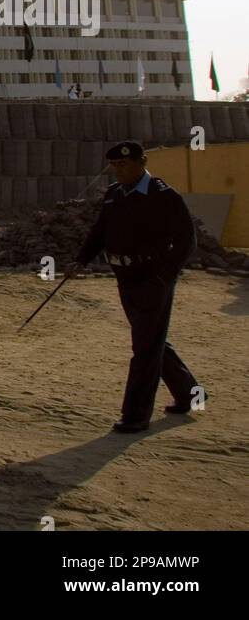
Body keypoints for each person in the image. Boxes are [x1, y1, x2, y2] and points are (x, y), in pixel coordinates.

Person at [70, 141, 202, 433]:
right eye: (115, 166)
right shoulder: (115, 195)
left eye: (125, 165)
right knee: (151, 340)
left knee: (144, 347)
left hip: (152, 278)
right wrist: (82, 259)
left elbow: (185, 241)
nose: (119, 171)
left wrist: (163, 276)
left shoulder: (162, 195)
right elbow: (100, 231)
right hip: (125, 276)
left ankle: (135, 415)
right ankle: (190, 392)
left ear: (142, 162)